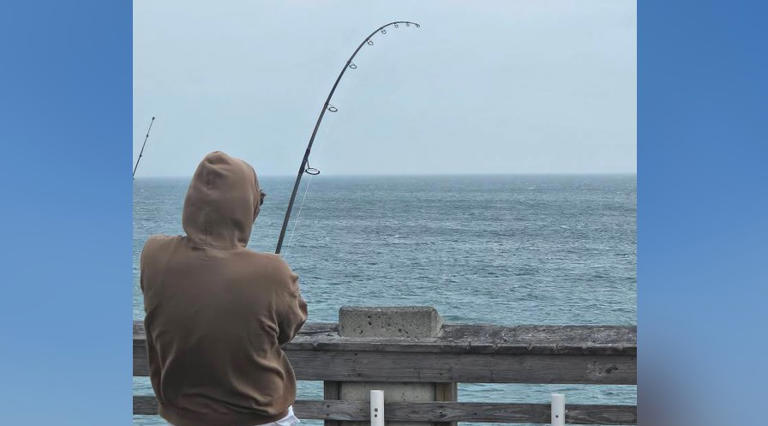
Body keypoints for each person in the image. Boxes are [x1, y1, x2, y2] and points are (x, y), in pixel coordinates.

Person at [140, 151, 308, 426]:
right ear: (244, 209)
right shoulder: (273, 271)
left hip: (185, 418)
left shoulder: (154, 255)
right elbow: (290, 326)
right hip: (261, 418)